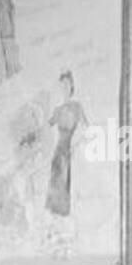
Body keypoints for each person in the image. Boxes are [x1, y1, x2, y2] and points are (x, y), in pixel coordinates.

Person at [46, 70, 87, 217]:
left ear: (72, 86)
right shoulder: (58, 110)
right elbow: (47, 125)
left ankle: (62, 216)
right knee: (55, 182)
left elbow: (87, 130)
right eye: (62, 85)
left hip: (68, 151)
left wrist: (76, 147)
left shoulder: (77, 107)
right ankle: (53, 217)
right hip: (58, 152)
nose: (64, 88)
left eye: (67, 85)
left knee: (64, 184)